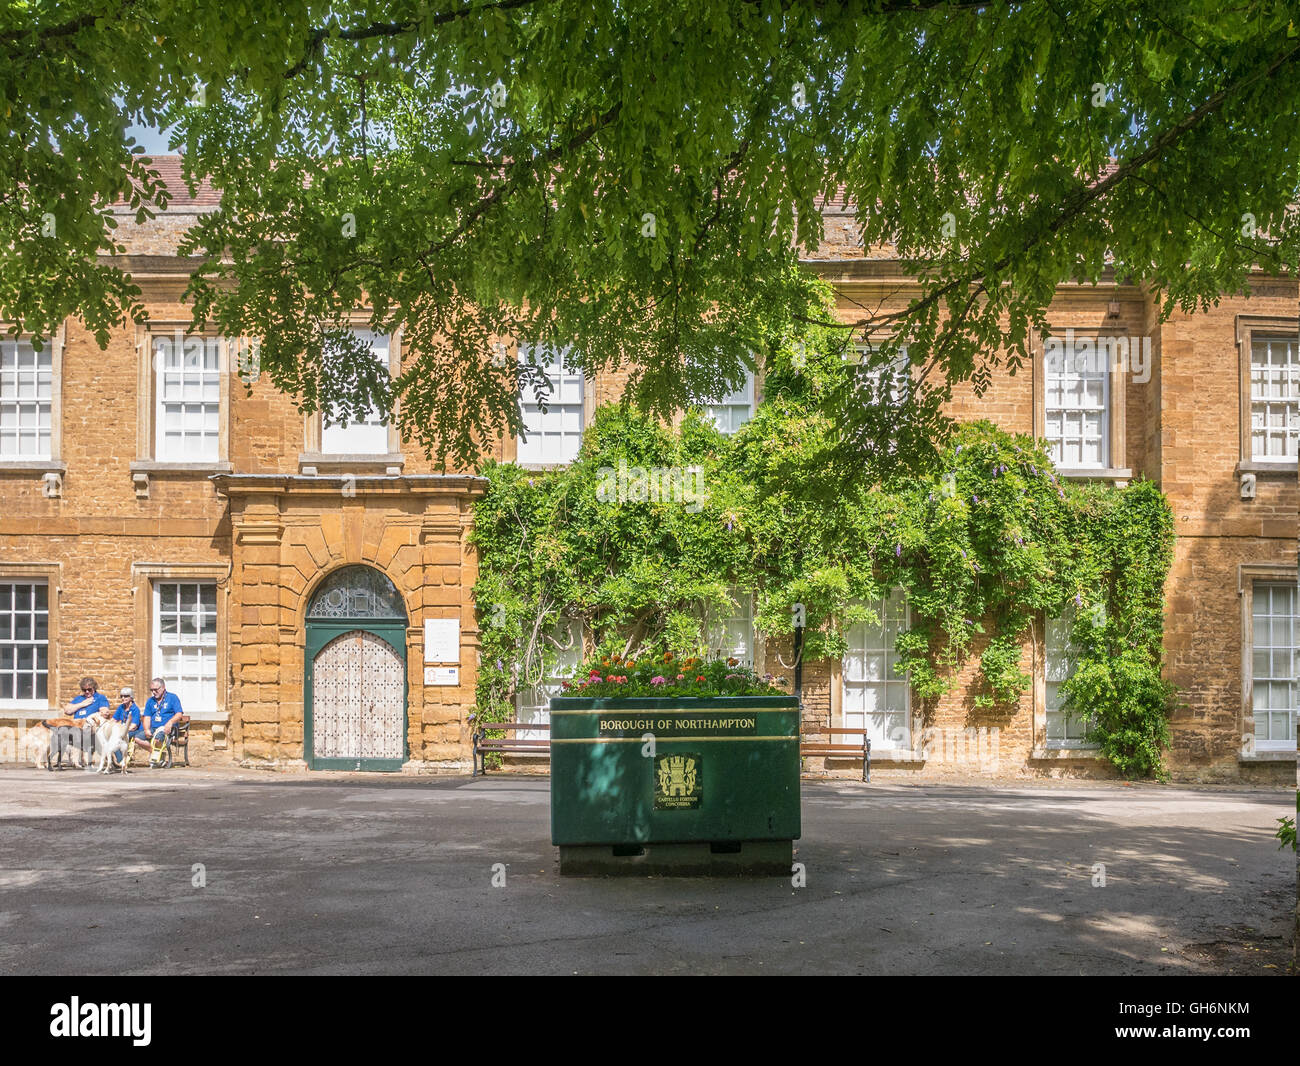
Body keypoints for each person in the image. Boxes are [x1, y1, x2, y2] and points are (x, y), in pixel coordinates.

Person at [52, 678, 110, 769]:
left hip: (89, 727)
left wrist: (89, 718)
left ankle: (80, 759)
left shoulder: (100, 698)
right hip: (76, 726)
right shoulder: (79, 699)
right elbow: (67, 710)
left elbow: (104, 713)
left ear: (94, 688)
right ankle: (73, 759)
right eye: (84, 690)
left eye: (89, 689)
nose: (87, 692)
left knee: (81, 732)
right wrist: (82, 704)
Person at [142, 678, 185, 767]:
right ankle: (158, 755)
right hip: (153, 728)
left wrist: (170, 722)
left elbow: (179, 714)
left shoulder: (172, 697)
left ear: (163, 688)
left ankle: (156, 758)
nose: (153, 692)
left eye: (155, 690)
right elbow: (147, 717)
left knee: (158, 738)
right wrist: (146, 729)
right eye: (151, 690)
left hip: (167, 729)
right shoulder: (150, 701)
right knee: (138, 738)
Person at [110, 687, 146, 770]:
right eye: (121, 696)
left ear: (131, 697)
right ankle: (116, 760)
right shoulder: (121, 707)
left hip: (135, 731)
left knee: (118, 738)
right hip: (124, 730)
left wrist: (120, 731)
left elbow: (134, 726)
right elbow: (113, 720)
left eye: (126, 696)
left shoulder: (135, 709)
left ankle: (121, 761)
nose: (123, 698)